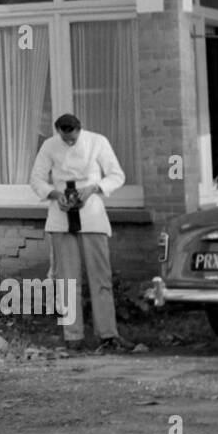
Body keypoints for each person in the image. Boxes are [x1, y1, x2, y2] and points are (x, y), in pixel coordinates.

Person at [29, 113, 131, 353]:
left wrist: (94, 188)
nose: (69, 142)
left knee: (101, 279)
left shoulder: (98, 142)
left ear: (79, 130)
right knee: (67, 281)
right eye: (65, 137)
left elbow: (117, 175)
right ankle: (72, 336)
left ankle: (108, 334)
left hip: (91, 216)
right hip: (61, 217)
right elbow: (36, 179)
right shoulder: (49, 146)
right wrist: (55, 195)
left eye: (72, 137)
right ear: (58, 132)